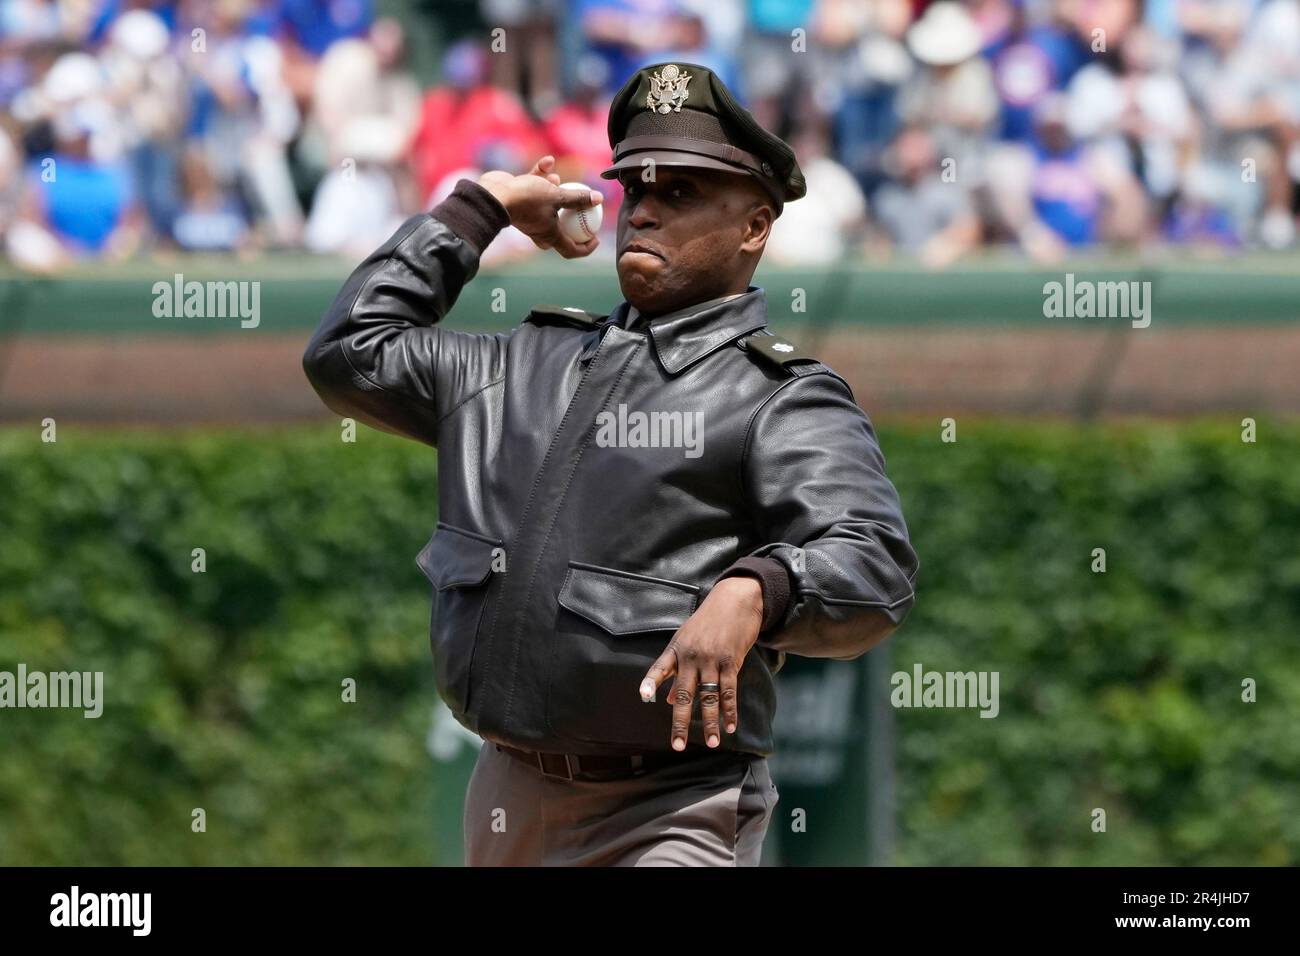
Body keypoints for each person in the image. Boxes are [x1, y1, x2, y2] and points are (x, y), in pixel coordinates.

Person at [303, 62, 919, 866]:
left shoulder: (777, 397)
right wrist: (482, 206)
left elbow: (874, 563)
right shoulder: (519, 364)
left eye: (684, 194)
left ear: (756, 227)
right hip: (506, 797)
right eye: (640, 189)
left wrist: (757, 587)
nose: (649, 211)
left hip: (674, 807)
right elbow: (349, 354)